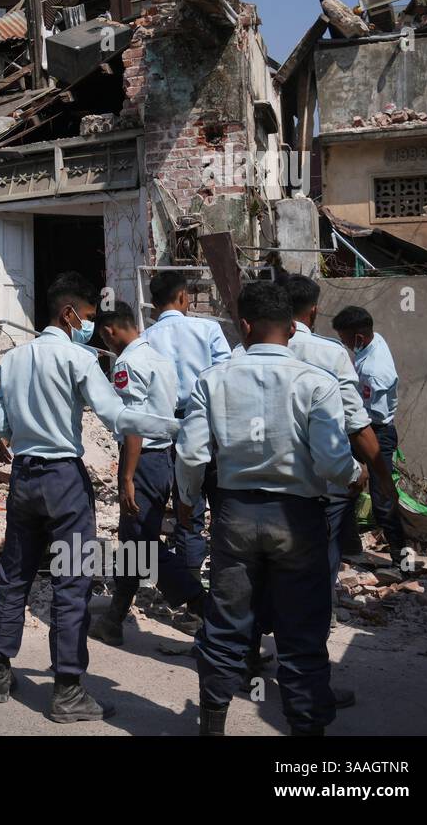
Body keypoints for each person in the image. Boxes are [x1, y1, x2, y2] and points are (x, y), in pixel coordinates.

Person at [0, 273, 178, 721]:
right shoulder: (79, 358)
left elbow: (1, 428)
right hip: (64, 481)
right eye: (88, 317)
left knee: (15, 571)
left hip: (24, 478)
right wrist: (172, 428)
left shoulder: (12, 361)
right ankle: (67, 689)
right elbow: (115, 415)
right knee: (71, 581)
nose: (91, 325)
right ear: (69, 314)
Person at [179, 281, 364, 736]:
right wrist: (357, 475)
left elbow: (190, 455)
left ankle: (213, 727)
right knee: (301, 633)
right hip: (298, 520)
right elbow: (332, 461)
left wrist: (185, 501)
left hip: (235, 515)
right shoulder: (316, 382)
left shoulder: (214, 379)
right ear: (294, 326)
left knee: (225, 626)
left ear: (244, 325)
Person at [259, 275, 396, 708]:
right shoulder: (328, 353)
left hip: (260, 482)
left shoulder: (248, 352)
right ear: (313, 310)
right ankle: (311, 685)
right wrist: (378, 475)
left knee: (259, 571)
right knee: (318, 568)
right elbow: (356, 422)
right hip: (320, 479)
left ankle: (246, 661)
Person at [88, 301, 207, 647]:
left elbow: (134, 426)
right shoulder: (159, 358)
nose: (107, 345)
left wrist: (126, 476)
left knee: (142, 544)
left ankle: (203, 605)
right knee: (133, 542)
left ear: (110, 331)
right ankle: (114, 618)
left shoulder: (127, 363)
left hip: (144, 461)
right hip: (164, 458)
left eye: (104, 338)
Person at [144, 271, 232, 575]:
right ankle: (225, 579)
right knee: (223, 505)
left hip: (169, 429)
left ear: (153, 304)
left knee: (186, 505)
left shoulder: (145, 339)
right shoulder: (208, 330)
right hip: (211, 425)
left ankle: (191, 583)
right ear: (184, 297)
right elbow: (226, 378)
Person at [331, 305, 406, 565]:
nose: (345, 346)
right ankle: (350, 550)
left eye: (346, 341)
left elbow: (371, 416)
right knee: (345, 487)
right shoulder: (373, 342)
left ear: (359, 338)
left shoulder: (375, 370)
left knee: (384, 501)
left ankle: (404, 562)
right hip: (362, 428)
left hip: (375, 432)